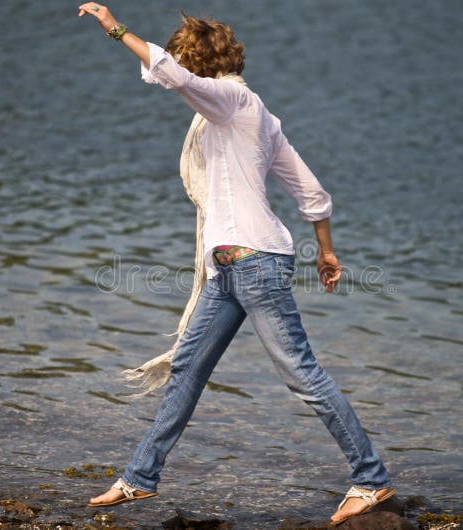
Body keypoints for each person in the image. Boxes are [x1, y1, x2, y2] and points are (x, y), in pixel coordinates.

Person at [78, 4, 395, 525]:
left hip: (254, 263)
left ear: (198, 61)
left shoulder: (232, 100)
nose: (181, 65)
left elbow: (172, 75)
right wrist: (326, 251)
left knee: (301, 374)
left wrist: (116, 29)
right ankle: (140, 478)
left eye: (185, 57)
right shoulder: (257, 117)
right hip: (230, 267)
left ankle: (371, 478)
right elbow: (312, 193)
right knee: (187, 369)